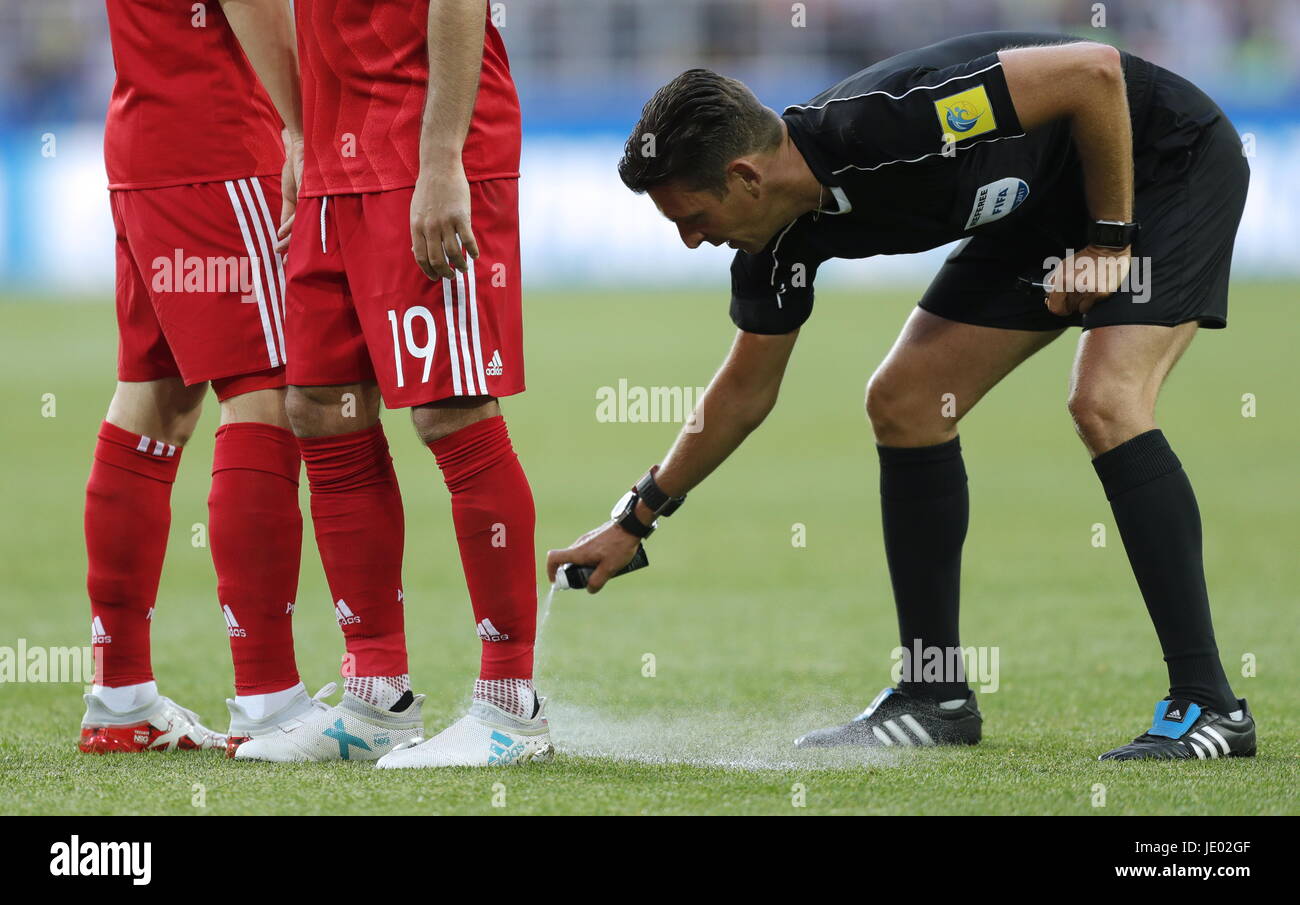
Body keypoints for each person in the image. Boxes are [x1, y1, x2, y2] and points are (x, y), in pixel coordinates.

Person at [547, 32, 1254, 762]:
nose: (692, 241)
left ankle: (1209, 703)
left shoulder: (889, 124)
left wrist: (1109, 242)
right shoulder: (775, 242)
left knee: (1105, 398)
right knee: (907, 399)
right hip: (1043, 202)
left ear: (746, 177)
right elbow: (745, 393)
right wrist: (635, 518)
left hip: (1164, 162)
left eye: (693, 218)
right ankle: (934, 692)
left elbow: (1092, 71)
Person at [233, 0, 552, 767]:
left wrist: (442, 157)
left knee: (451, 407)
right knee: (318, 406)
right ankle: (377, 696)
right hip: (336, 150)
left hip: (425, 138)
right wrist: (302, 128)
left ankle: (512, 705)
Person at [81, 0, 308, 753]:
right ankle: (270, 702)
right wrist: (301, 127)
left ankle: (120, 697)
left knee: (157, 398)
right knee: (268, 389)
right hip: (221, 138)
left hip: (145, 134)